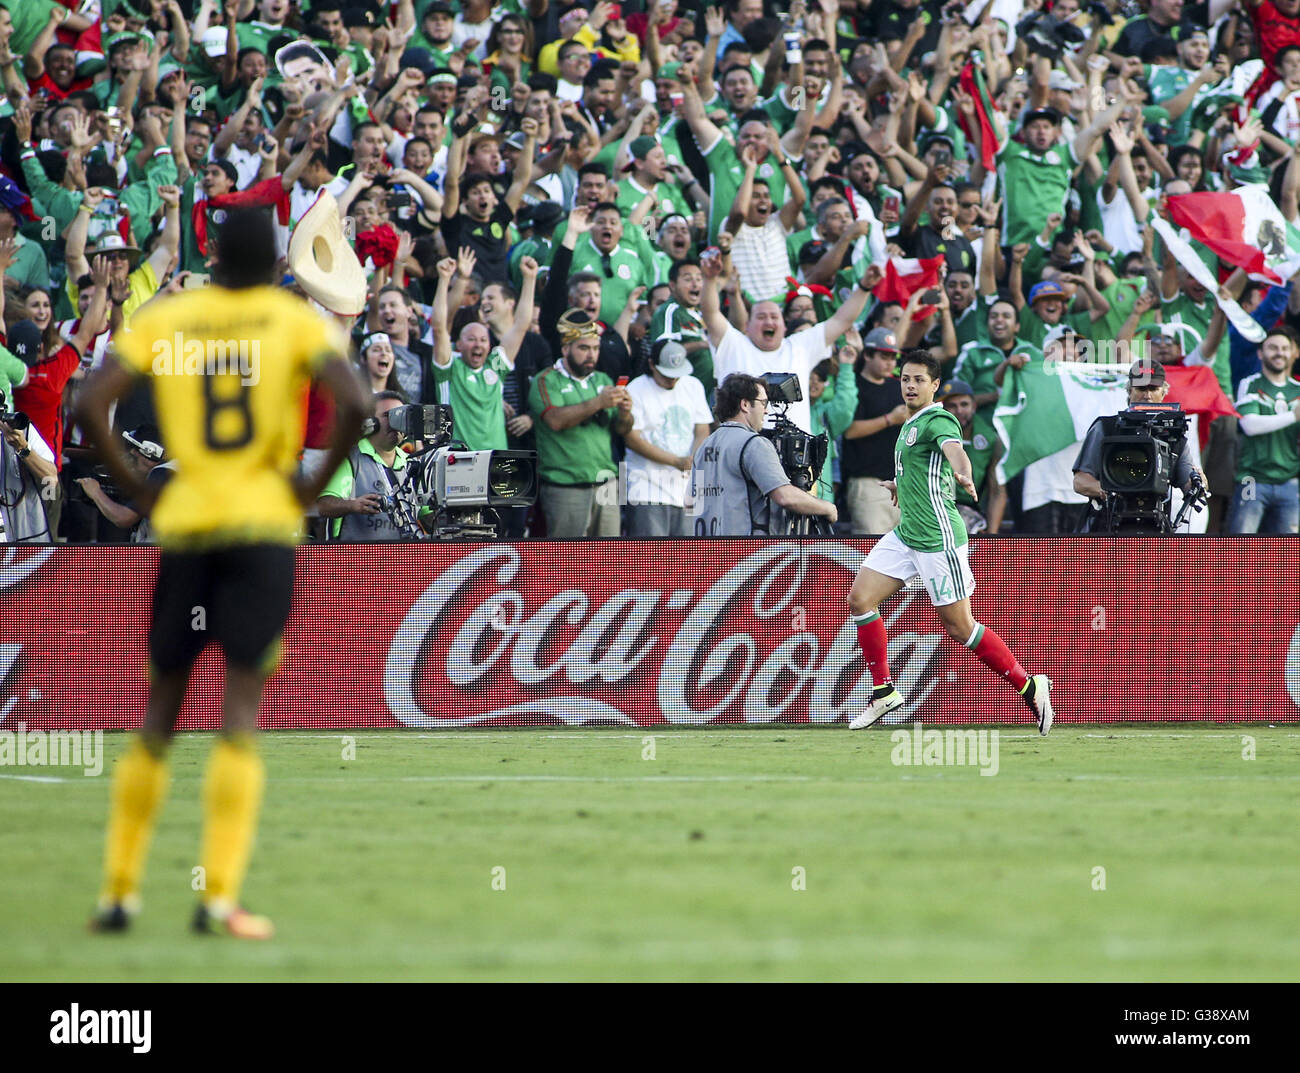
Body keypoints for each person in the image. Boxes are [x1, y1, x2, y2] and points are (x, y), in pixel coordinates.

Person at [76, 208, 368, 940]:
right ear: (275, 266)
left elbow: (90, 401)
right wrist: (307, 489)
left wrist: (140, 492)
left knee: (158, 715)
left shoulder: (172, 318)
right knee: (239, 716)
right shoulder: (288, 319)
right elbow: (358, 403)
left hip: (187, 524)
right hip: (263, 529)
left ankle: (118, 893)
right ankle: (218, 900)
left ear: (208, 258)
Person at [845, 349, 1054, 733]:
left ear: (935, 385)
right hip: (907, 533)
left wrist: (964, 473)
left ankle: (1029, 686)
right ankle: (884, 691)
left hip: (937, 539)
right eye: (905, 378)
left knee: (960, 627)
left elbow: (953, 451)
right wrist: (900, 485)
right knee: (860, 599)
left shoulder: (938, 417)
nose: (910, 385)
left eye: (919, 380)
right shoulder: (912, 423)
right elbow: (925, 470)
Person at [689, 372, 838, 537]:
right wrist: (827, 508)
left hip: (709, 550)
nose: (766, 411)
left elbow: (691, 504)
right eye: (763, 403)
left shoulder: (704, 445)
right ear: (745, 404)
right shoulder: (753, 443)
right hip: (749, 553)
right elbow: (785, 497)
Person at [529, 309, 633, 537]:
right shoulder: (546, 380)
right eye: (584, 348)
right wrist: (598, 402)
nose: (591, 355)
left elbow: (622, 430)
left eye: (595, 349)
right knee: (568, 563)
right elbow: (555, 421)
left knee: (607, 563)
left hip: (606, 485)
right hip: (565, 487)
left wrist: (625, 413)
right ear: (566, 349)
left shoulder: (603, 380)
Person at [1072, 359, 1207, 533]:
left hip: (1156, 526)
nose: (1147, 395)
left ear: (1164, 392)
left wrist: (1200, 482)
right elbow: (1080, 481)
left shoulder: (1175, 436)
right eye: (1141, 389)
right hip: (1108, 525)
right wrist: (1109, 492)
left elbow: (1189, 486)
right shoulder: (1106, 428)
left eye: (1153, 389)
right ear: (1129, 390)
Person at [624, 339, 713, 537]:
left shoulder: (693, 385)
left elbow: (702, 428)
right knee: (651, 559)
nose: (672, 380)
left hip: (686, 490)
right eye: (666, 375)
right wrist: (676, 461)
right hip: (645, 488)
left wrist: (694, 457)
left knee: (685, 560)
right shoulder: (635, 389)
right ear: (651, 365)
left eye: (677, 375)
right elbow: (632, 438)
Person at [316, 391, 420, 541]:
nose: (397, 420)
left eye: (401, 414)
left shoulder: (413, 464)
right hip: (356, 559)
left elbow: (427, 515)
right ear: (370, 423)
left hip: (402, 560)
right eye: (387, 415)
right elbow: (323, 505)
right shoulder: (350, 459)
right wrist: (353, 506)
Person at [1226, 329, 1300, 534]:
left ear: (1293, 353)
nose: (1280, 353)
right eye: (1273, 348)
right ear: (1260, 353)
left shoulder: (1298, 389)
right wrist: (1293, 416)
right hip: (1252, 479)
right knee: (1241, 544)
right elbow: (1249, 426)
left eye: (1285, 348)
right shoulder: (1250, 383)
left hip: (1290, 481)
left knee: (1290, 553)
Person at [74, 426, 177, 544]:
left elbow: (123, 518)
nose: (132, 453)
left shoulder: (161, 473)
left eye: (135, 449)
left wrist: (95, 492)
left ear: (151, 452)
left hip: (167, 554)